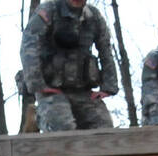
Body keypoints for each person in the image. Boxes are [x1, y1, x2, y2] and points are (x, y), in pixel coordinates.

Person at [20, 0, 118, 132]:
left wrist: (108, 88)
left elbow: (106, 50)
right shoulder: (49, 11)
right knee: (63, 129)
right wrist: (38, 85)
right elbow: (29, 47)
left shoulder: (93, 16)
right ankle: (39, 118)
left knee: (105, 130)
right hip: (52, 91)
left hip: (83, 91)